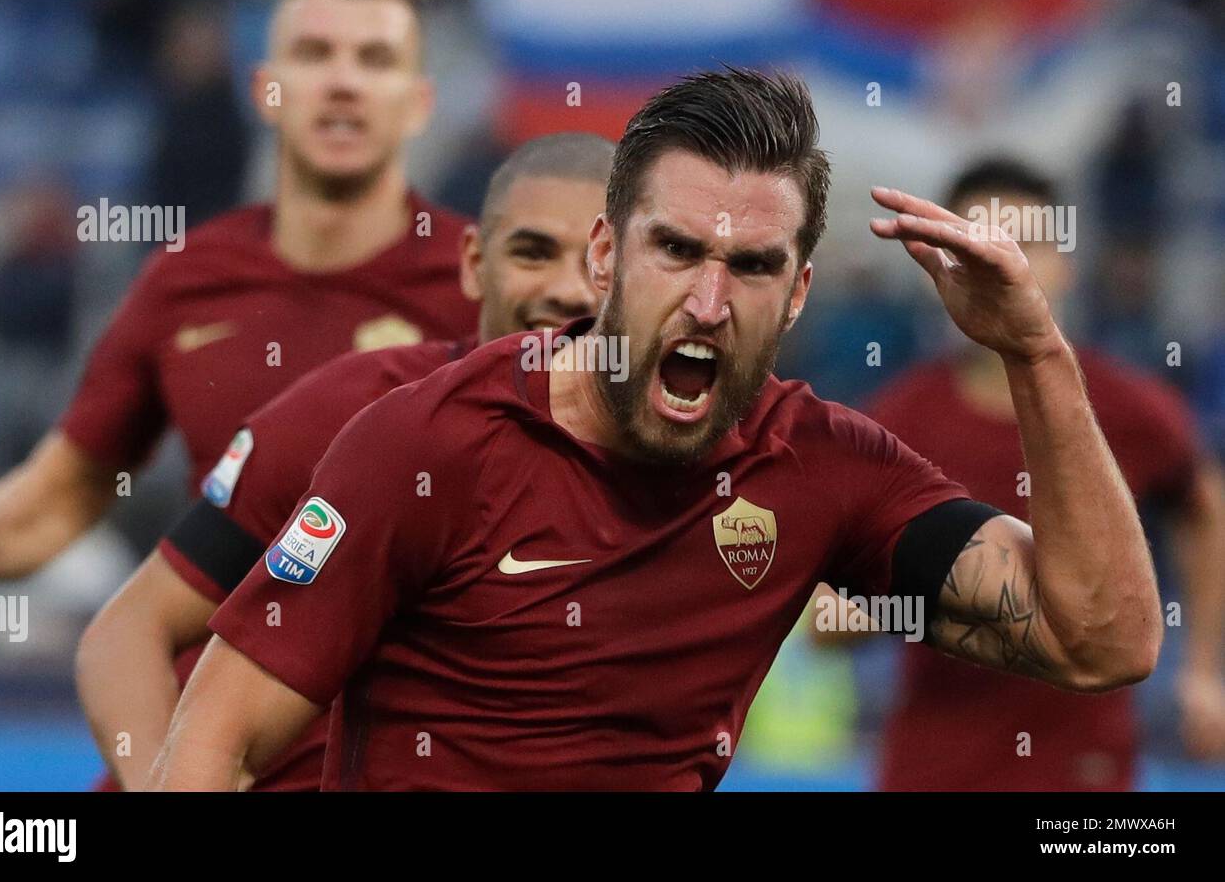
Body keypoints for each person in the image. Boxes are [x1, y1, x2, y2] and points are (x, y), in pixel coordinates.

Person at [151, 68, 1162, 791]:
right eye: (675, 250)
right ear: (606, 256)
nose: (710, 303)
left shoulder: (824, 470)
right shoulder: (427, 445)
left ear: (800, 291)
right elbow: (214, 744)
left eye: (754, 267)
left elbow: (1100, 641)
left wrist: (1033, 354)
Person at [0, 0, 475, 596]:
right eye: (315, 53)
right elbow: (69, 486)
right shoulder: (188, 276)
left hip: (410, 689)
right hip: (203, 684)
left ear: (418, 102)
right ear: (265, 91)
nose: (342, 82)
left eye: (375, 59)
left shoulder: (484, 278)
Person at [75, 133, 614, 790]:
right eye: (532, 252)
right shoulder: (354, 411)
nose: (567, 290)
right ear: (474, 262)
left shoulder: (683, 477)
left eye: (596, 263)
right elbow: (128, 632)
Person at [864, 159, 1225, 790]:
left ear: (1065, 264)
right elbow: (831, 622)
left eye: (1024, 243)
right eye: (971, 243)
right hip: (934, 766)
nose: (997, 264)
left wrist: (1202, 669)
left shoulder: (1127, 408)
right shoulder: (893, 422)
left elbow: (1202, 504)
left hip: (1085, 776)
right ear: (934, 264)